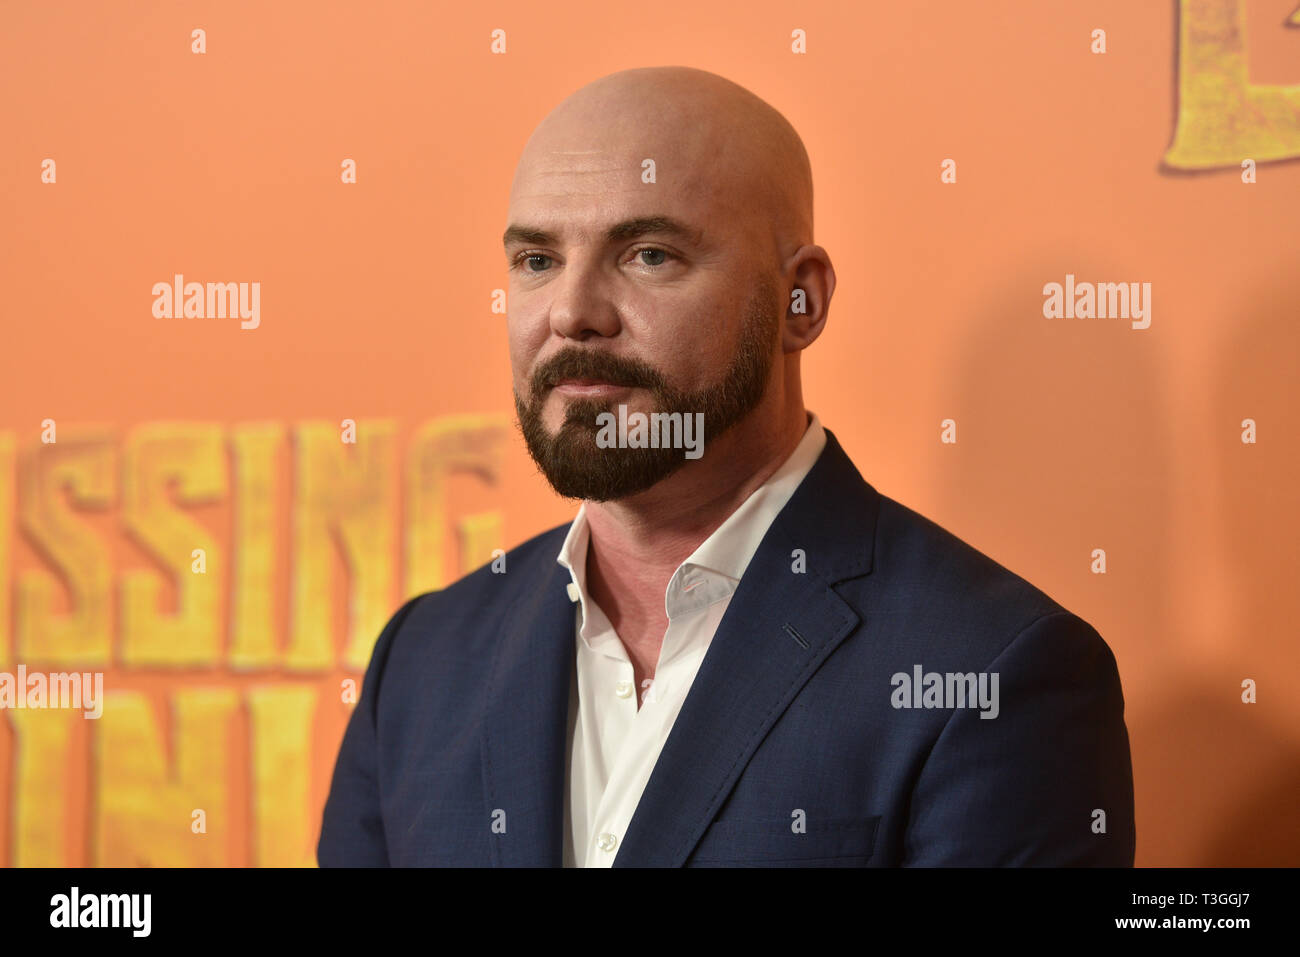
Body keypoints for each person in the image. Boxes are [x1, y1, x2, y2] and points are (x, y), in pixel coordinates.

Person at [318, 65, 1135, 867]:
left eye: (647, 254)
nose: (571, 311)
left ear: (799, 300)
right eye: (537, 261)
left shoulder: (988, 671)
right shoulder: (421, 666)